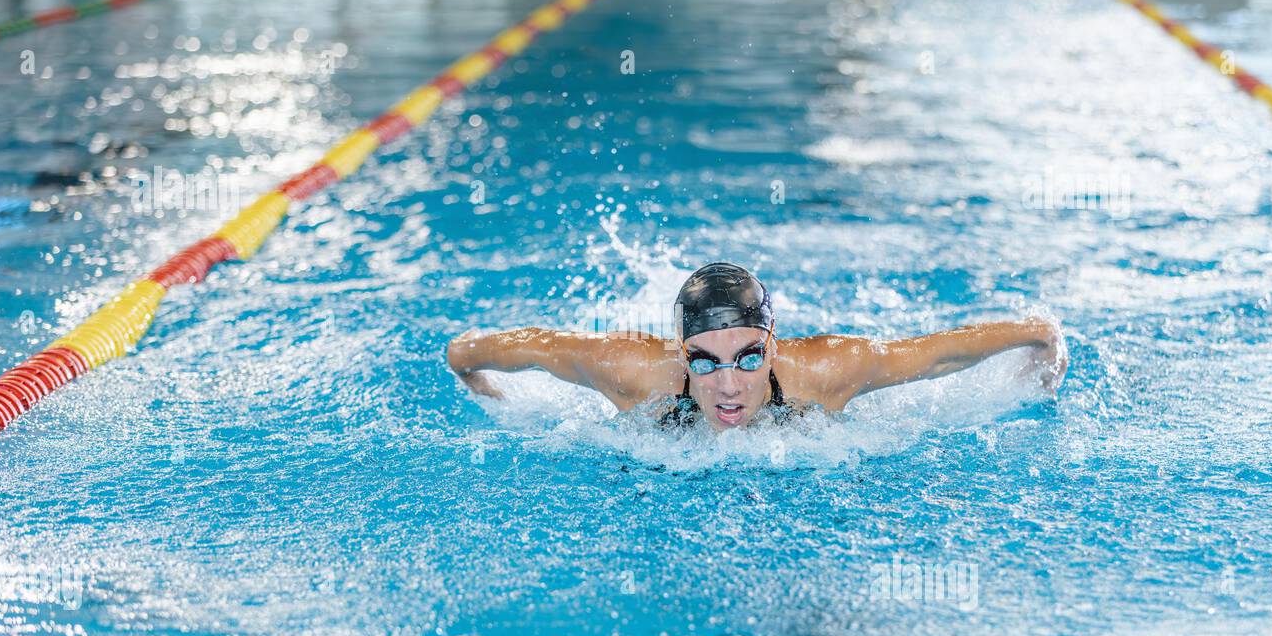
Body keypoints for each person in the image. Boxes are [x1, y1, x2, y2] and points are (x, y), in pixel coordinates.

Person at [446, 262, 1067, 431]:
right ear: (680, 356)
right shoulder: (633, 373)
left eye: (748, 358)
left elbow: (935, 354)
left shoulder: (825, 371)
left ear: (772, 348)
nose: (727, 384)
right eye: (704, 362)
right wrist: (468, 363)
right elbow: (539, 348)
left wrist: (1037, 332)